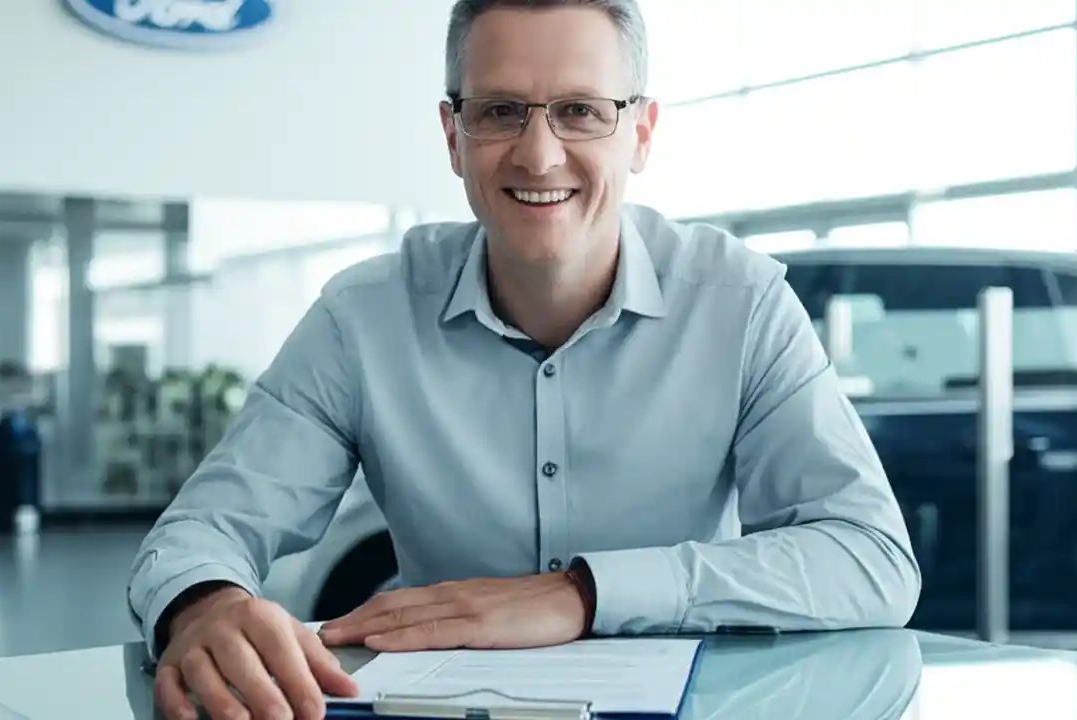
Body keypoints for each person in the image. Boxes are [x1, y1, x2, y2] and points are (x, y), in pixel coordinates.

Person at [128, 1, 922, 718]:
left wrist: (584, 593)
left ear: (640, 133)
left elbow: (872, 559)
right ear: (453, 135)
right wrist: (205, 605)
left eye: (580, 110)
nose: (539, 156)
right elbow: (203, 530)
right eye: (501, 111)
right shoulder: (361, 318)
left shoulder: (741, 305)